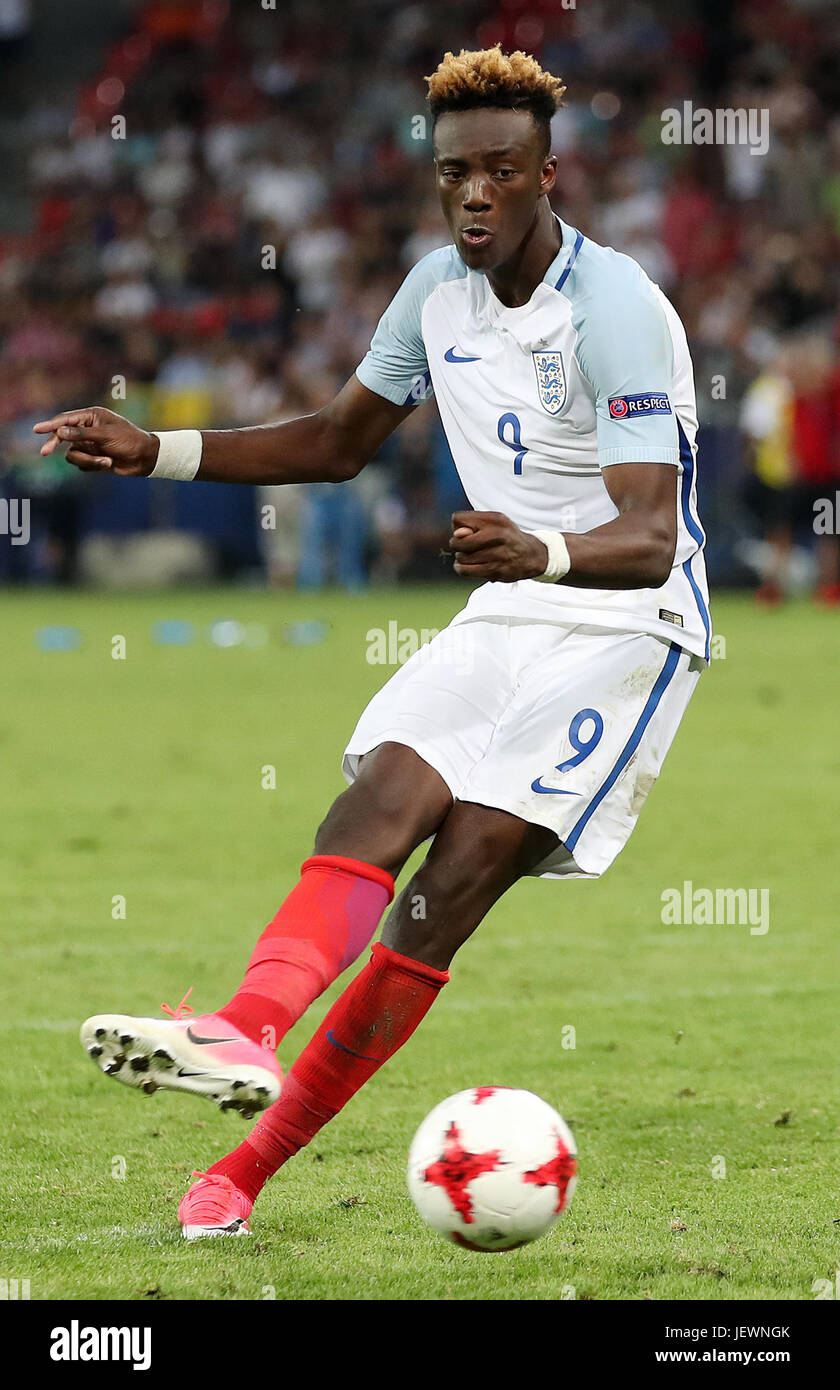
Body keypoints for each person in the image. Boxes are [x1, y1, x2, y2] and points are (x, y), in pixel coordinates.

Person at [34, 47, 710, 1239]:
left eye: (504, 171)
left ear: (549, 175)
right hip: (508, 599)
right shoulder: (432, 295)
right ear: (437, 178)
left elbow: (650, 535)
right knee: (382, 798)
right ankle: (241, 1026)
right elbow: (341, 440)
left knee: (448, 882)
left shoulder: (617, 309)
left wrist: (543, 552)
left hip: (626, 624)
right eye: (458, 173)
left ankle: (244, 1170)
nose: (478, 196)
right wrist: (164, 451)